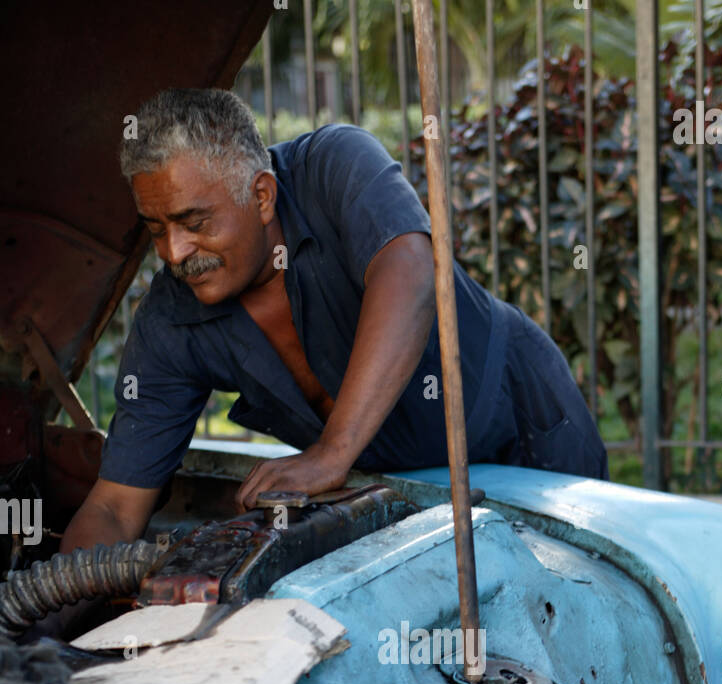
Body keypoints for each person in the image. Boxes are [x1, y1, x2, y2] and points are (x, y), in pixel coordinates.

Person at [61, 87, 608, 552]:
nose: (174, 252)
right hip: (403, 494)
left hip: (521, 428)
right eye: (156, 229)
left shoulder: (334, 164)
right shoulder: (170, 319)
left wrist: (332, 452)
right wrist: (42, 627)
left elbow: (411, 270)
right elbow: (114, 506)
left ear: (262, 195)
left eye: (194, 222)